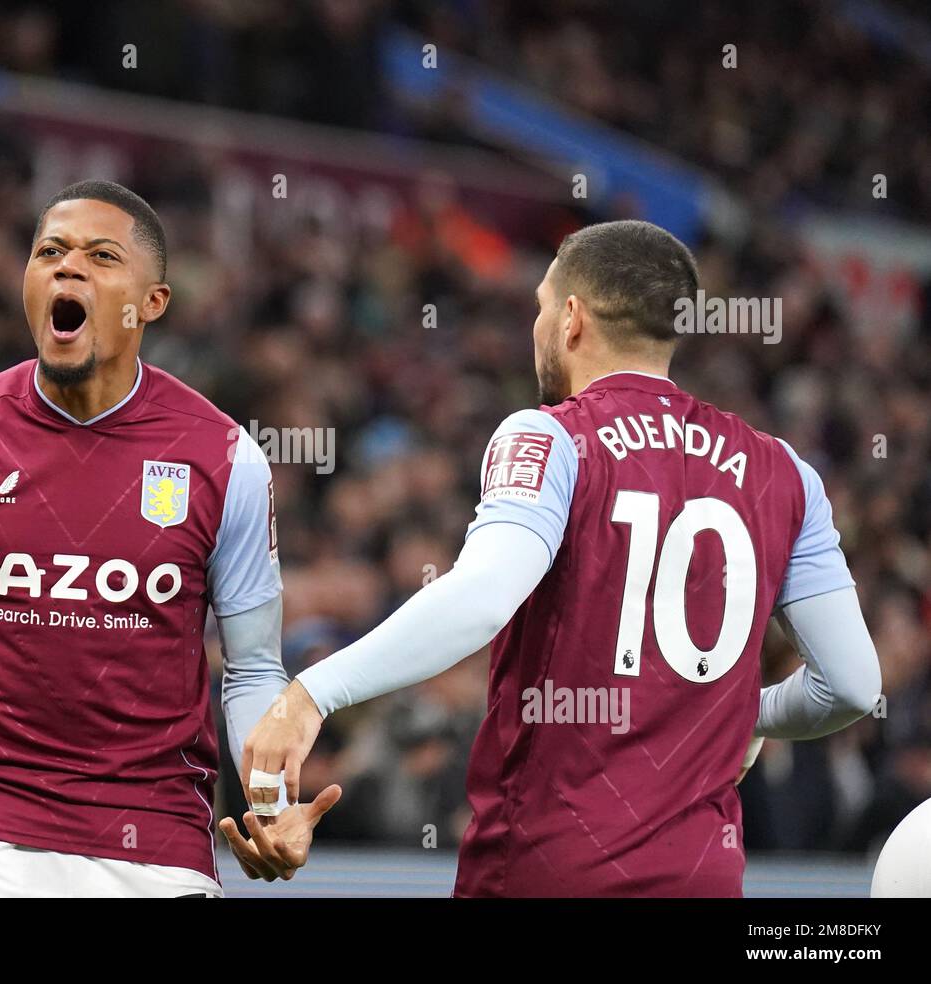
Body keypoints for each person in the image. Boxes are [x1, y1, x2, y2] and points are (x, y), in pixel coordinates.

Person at [237, 220, 882, 896]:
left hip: (550, 867)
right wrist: (743, 712)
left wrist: (312, 694)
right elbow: (853, 686)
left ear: (572, 318)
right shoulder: (785, 472)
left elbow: (484, 596)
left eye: (542, 305)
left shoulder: (551, 437)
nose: (537, 326)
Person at [0, 180, 337, 896]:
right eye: (50, 251)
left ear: (152, 303)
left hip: (159, 839)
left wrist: (265, 805)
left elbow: (251, 669)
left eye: (101, 256)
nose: (67, 268)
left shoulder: (225, 458)